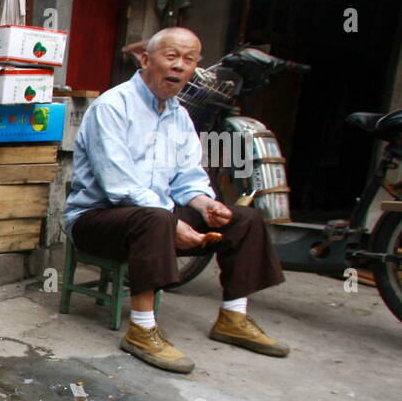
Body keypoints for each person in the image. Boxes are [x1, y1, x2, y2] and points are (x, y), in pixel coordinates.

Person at [65, 27, 287, 373]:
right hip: (97, 219)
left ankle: (233, 316)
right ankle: (141, 329)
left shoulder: (179, 116)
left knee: (242, 218)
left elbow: (188, 177)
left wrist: (204, 204)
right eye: (171, 56)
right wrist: (173, 219)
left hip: (151, 218)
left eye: (189, 59)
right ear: (146, 59)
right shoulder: (112, 106)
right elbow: (118, 185)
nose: (179, 66)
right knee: (156, 218)